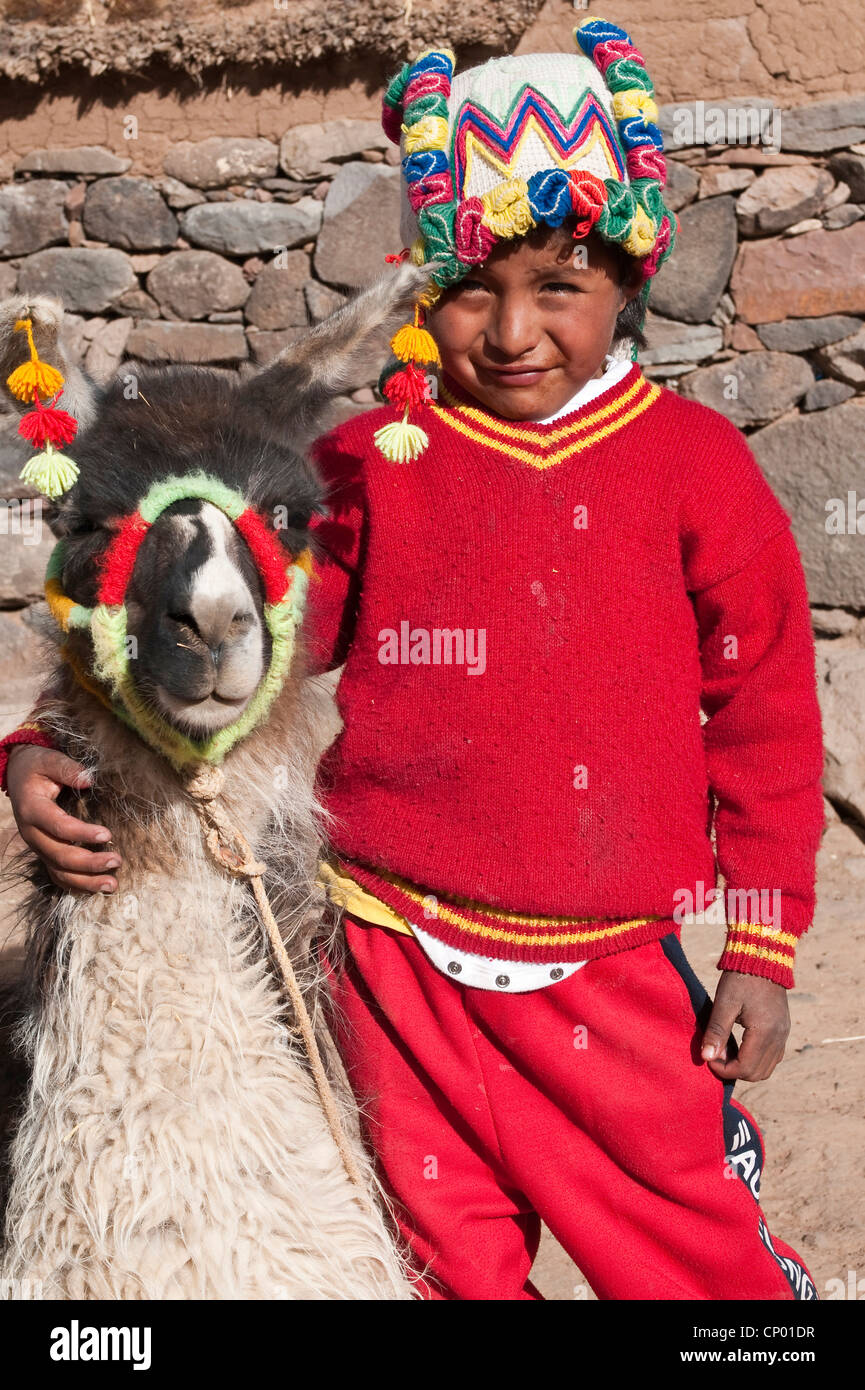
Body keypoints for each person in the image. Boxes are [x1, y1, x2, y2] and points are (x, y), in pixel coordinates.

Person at [2, 19, 823, 1300]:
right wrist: (43, 744)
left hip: (610, 969)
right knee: (443, 1276)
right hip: (396, 963)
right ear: (419, 289)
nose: (508, 332)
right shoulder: (373, 466)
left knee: (702, 1268)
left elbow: (766, 717)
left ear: (628, 280)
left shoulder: (694, 473)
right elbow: (241, 649)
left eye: (557, 286)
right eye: (469, 289)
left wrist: (760, 954)